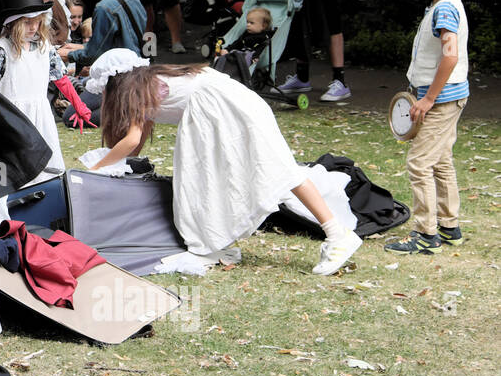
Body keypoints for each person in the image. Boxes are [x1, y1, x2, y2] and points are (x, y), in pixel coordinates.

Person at [87, 49, 363, 276]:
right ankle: (212, 243)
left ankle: (337, 234)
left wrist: (98, 168)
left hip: (225, 109)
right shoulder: (148, 81)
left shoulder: (138, 89)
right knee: (214, 179)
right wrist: (118, 164)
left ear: (115, 83)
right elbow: (137, 139)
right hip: (224, 108)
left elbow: (132, 138)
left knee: (279, 171)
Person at [385, 0, 472, 255]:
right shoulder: (443, 5)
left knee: (419, 164)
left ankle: (426, 233)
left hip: (443, 99)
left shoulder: (445, 10)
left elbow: (450, 56)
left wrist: (429, 98)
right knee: (440, 161)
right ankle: (450, 227)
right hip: (449, 96)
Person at [0, 0, 68, 223]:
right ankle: (1, 218)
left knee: (47, 167)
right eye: (27, 22)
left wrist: (78, 104)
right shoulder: (1, 50)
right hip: (12, 118)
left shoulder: (45, 48)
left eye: (37, 20)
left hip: (40, 117)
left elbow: (59, 77)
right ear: (13, 23)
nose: (34, 27)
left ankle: (45, 211)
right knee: (7, 170)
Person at [61, 0, 146, 124]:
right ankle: (129, 106)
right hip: (135, 69)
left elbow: (93, 54)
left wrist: (68, 54)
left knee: (71, 117)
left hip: (117, 76)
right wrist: (78, 46)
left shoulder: (105, 6)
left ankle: (128, 112)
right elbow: (117, 42)